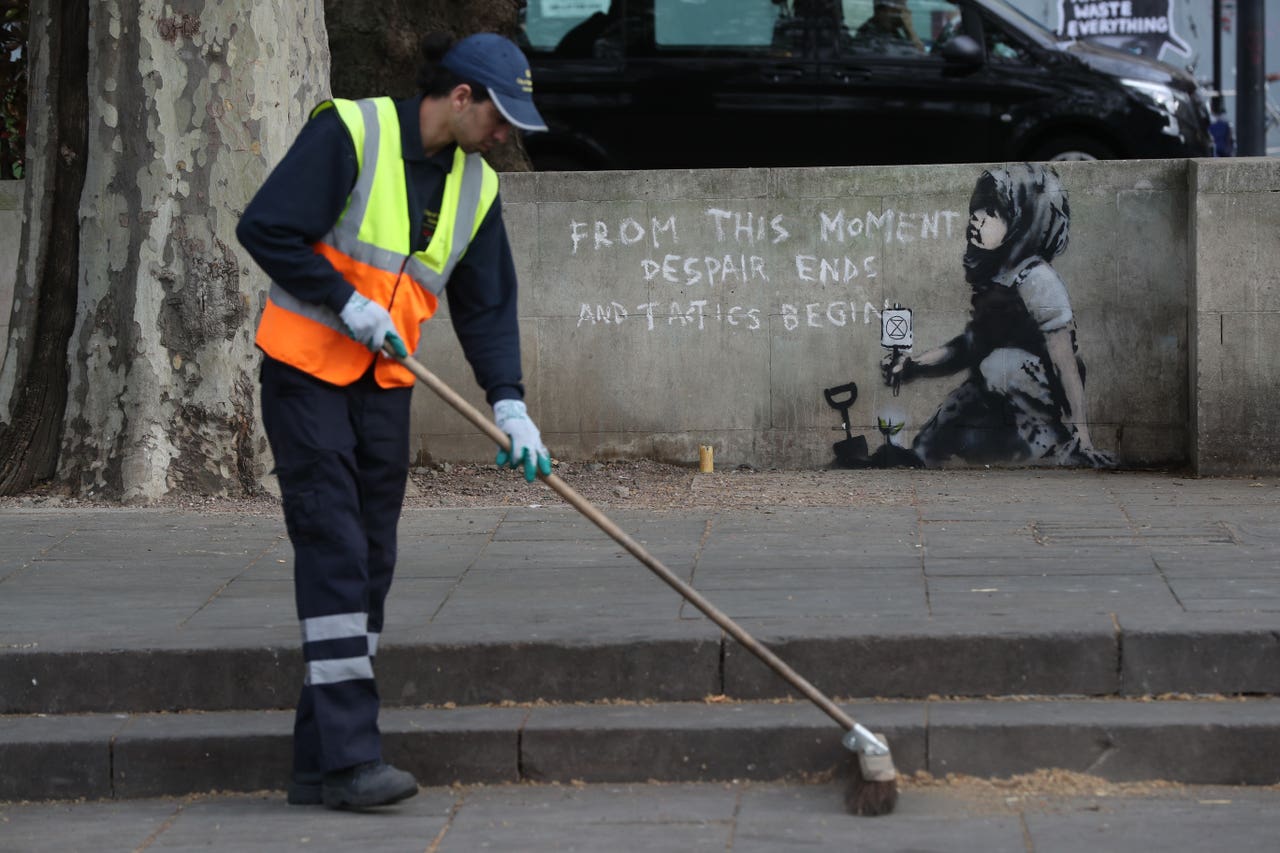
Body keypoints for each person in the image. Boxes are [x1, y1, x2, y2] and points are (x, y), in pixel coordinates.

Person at [236, 32, 554, 811]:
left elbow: (488, 306)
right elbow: (265, 227)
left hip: (384, 384)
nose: (507, 135)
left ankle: (318, 761)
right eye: (501, 117)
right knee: (337, 547)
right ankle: (350, 759)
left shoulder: (476, 188)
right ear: (460, 98)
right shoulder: (352, 131)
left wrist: (509, 403)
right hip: (307, 373)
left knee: (371, 563)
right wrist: (345, 301)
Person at [882, 163, 1114, 468]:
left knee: (998, 364)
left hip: (1039, 398)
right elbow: (967, 346)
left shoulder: (1038, 279)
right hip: (1000, 390)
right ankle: (920, 457)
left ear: (1024, 219)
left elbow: (1065, 362)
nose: (977, 219)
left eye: (992, 212)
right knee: (956, 407)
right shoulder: (999, 279)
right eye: (978, 210)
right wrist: (913, 365)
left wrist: (1081, 435)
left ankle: (1057, 447)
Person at [855, 0, 925, 51]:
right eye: (900, 10)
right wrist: (909, 30)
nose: (902, 15)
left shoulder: (892, 33)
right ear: (882, 11)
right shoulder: (869, 36)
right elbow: (919, 56)